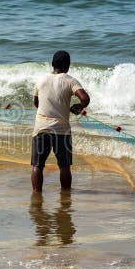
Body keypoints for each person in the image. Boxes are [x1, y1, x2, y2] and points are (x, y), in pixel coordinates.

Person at [31, 50, 90, 193]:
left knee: (37, 166)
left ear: (52, 64)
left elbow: (36, 102)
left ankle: (36, 196)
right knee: (64, 166)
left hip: (41, 128)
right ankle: (65, 196)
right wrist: (79, 106)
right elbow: (85, 98)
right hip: (61, 130)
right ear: (68, 65)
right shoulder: (70, 81)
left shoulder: (41, 80)